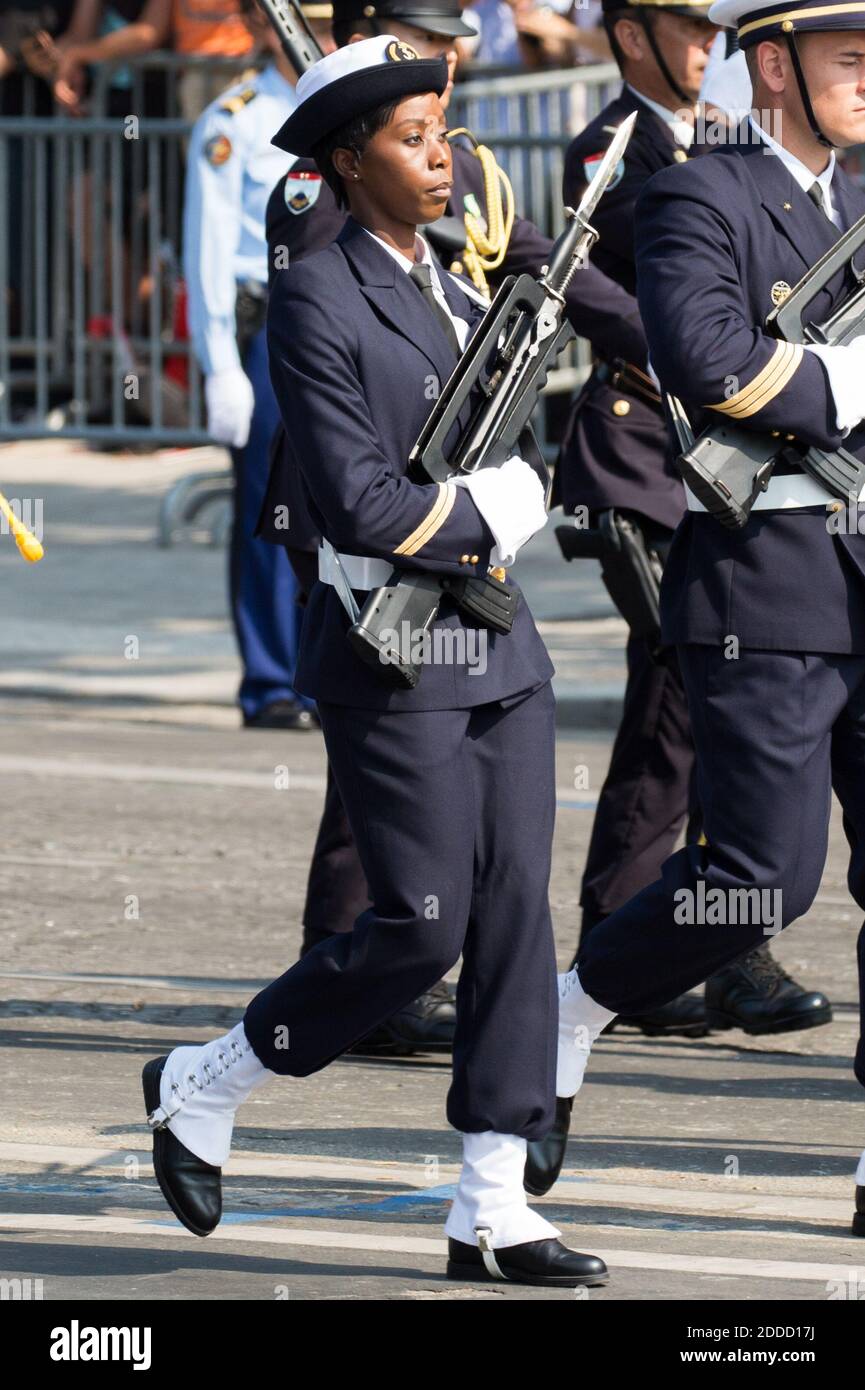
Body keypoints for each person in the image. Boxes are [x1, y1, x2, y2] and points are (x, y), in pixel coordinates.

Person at [143, 34, 609, 1287]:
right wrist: (492, 511)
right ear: (349, 162)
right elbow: (353, 499)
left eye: (442, 133)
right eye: (411, 140)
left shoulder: (456, 284)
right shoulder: (316, 293)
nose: (441, 156)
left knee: (515, 914)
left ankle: (490, 1204)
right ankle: (208, 1077)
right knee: (418, 926)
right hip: (388, 643)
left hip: (495, 636)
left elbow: (498, 419)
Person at [527, 0, 865, 1239]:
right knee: (758, 879)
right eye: (850, 61)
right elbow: (708, 360)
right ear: (774, 67)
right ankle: (572, 1008)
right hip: (769, 585)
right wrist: (847, 380)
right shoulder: (700, 194)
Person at [261, 0, 649, 1055]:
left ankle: (486, 1128)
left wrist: (666, 349)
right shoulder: (319, 192)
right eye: (432, 52)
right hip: (363, 493)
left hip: (462, 498)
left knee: (476, 844)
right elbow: (338, 336)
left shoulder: (459, 168)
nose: (451, 73)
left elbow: (532, 270)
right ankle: (359, 954)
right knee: (382, 754)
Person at [552, 0, 831, 1046]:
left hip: (773, 488)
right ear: (632, 34)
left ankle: (722, 947)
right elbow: (586, 277)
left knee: (716, 730)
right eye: (686, 27)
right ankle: (621, 938)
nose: (701, 47)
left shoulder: (729, 154)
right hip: (652, 460)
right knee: (676, 702)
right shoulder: (625, 147)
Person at [183, 0, 332, 729]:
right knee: (272, 510)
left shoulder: (348, 110)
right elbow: (208, 252)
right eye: (310, 20)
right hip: (267, 328)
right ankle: (273, 681)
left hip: (341, 327)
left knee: (342, 505)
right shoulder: (236, 120)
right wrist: (219, 364)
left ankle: (327, 670)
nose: (321, 35)